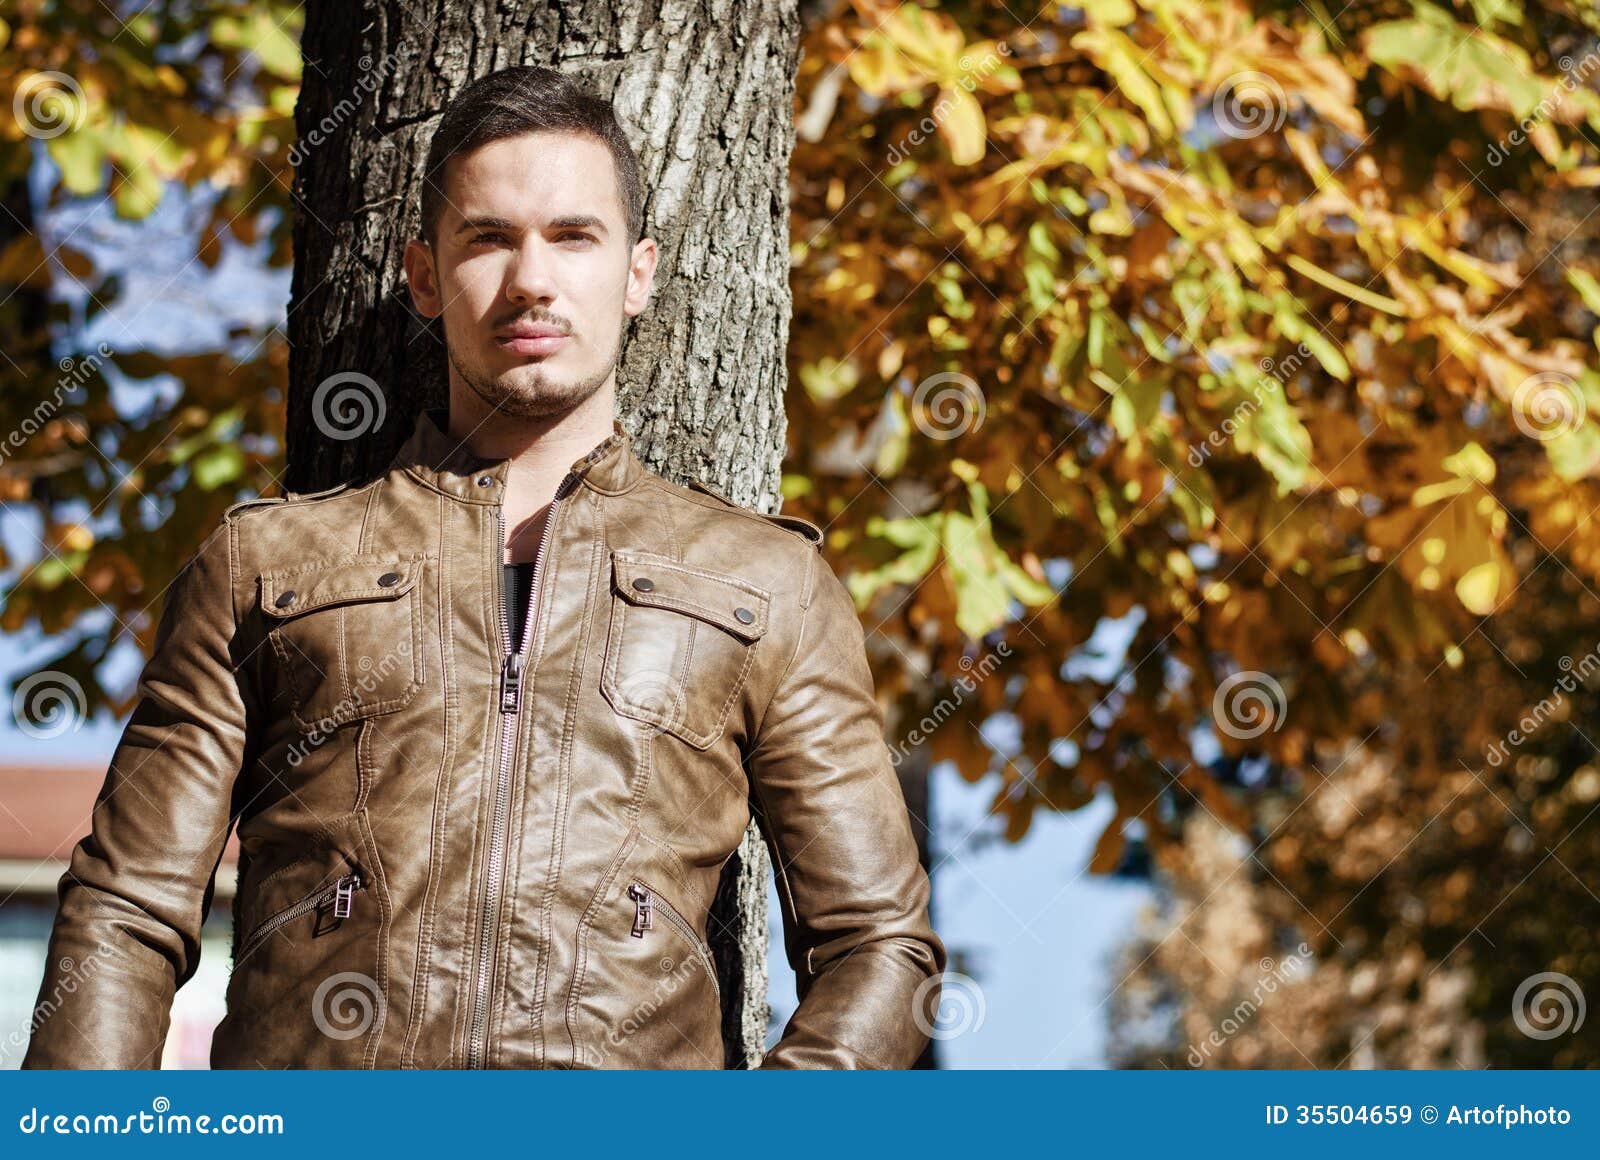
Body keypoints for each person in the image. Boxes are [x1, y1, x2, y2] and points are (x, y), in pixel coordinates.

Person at [23, 64, 944, 1070]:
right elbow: (126, 908)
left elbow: (878, 943)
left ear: (637, 273)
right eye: (488, 239)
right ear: (424, 275)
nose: (532, 280)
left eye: (573, 237)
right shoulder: (265, 562)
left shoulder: (764, 582)